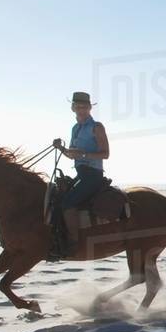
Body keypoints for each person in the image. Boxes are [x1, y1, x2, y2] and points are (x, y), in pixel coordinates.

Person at [48, 91, 110, 259]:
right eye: (78, 107)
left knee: (68, 202)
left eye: (84, 107)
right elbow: (72, 154)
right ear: (73, 108)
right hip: (81, 173)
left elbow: (105, 154)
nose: (81, 110)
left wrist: (83, 155)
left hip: (93, 174)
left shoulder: (96, 127)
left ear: (89, 108)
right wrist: (61, 149)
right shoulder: (75, 128)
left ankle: (74, 243)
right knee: (57, 198)